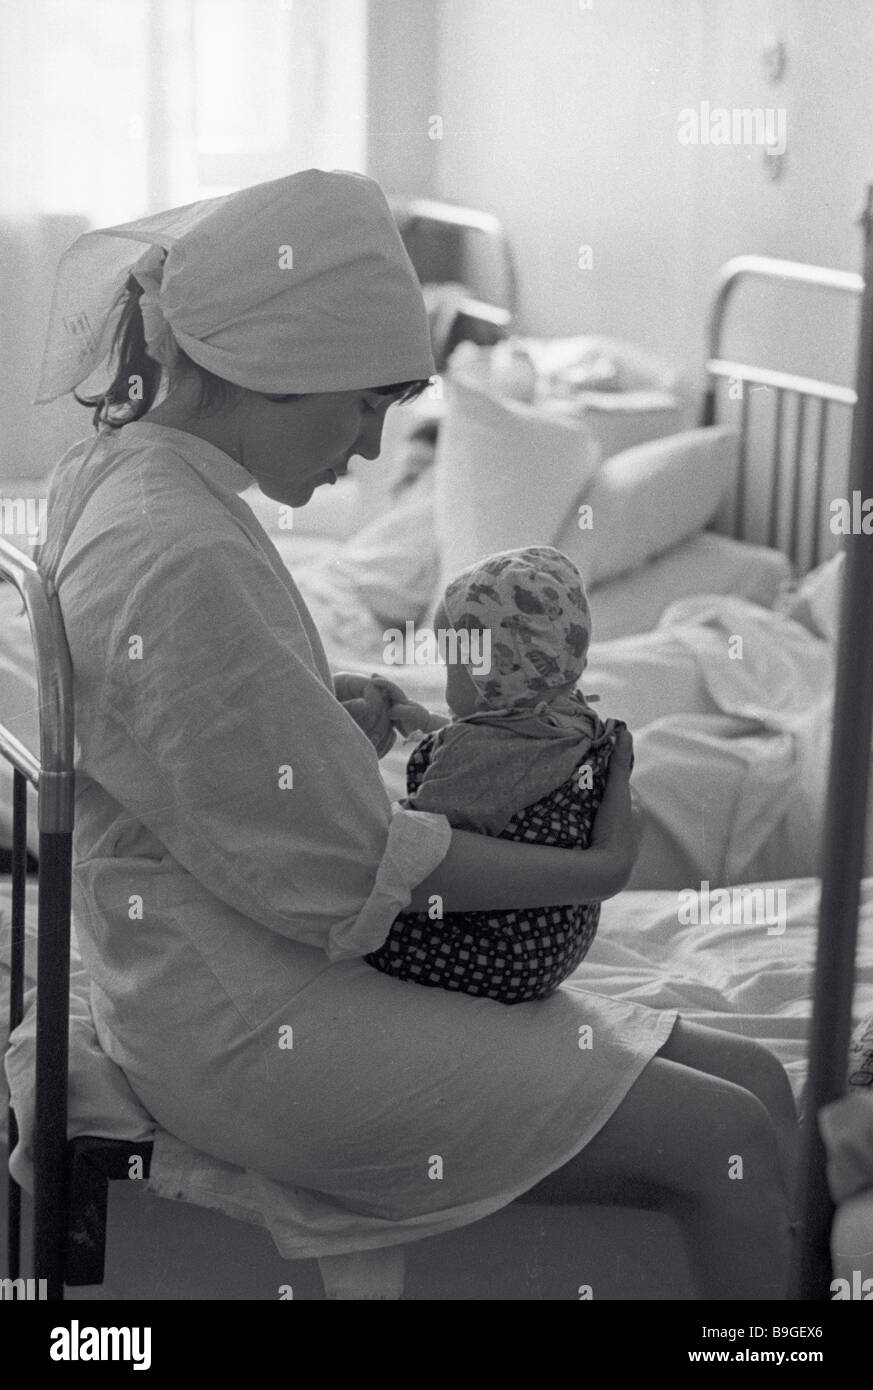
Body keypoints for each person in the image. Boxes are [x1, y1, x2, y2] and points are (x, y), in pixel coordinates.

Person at [34, 168, 792, 1299]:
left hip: (206, 967)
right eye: (369, 405)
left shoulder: (135, 481)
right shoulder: (182, 546)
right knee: (731, 1141)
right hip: (256, 1020)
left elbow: (179, 744)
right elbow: (349, 874)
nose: (376, 451)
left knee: (765, 1092)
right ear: (284, 364)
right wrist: (596, 866)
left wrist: (314, 705)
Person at [365, 545, 622, 1004]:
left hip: (494, 949)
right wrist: (426, 724)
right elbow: (508, 762)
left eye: (450, 664)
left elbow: (419, 848)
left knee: (359, 930)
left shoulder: (478, 756)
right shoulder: (567, 719)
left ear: (493, 677)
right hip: (555, 940)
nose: (444, 675)